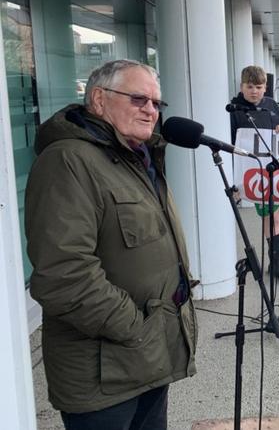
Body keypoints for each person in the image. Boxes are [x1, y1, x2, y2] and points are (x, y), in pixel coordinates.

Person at [25, 59, 197, 429]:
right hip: (105, 373)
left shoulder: (137, 156)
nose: (150, 110)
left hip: (148, 358)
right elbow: (62, 276)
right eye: (138, 99)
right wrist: (137, 329)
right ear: (99, 100)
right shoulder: (68, 160)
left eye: (156, 103)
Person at [230, 65, 279, 287]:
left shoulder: (271, 105)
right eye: (250, 87)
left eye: (259, 87)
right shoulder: (234, 110)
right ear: (242, 86)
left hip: (277, 171)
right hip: (254, 175)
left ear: (265, 88)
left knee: (277, 217)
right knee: (273, 219)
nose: (254, 91)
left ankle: (275, 265)